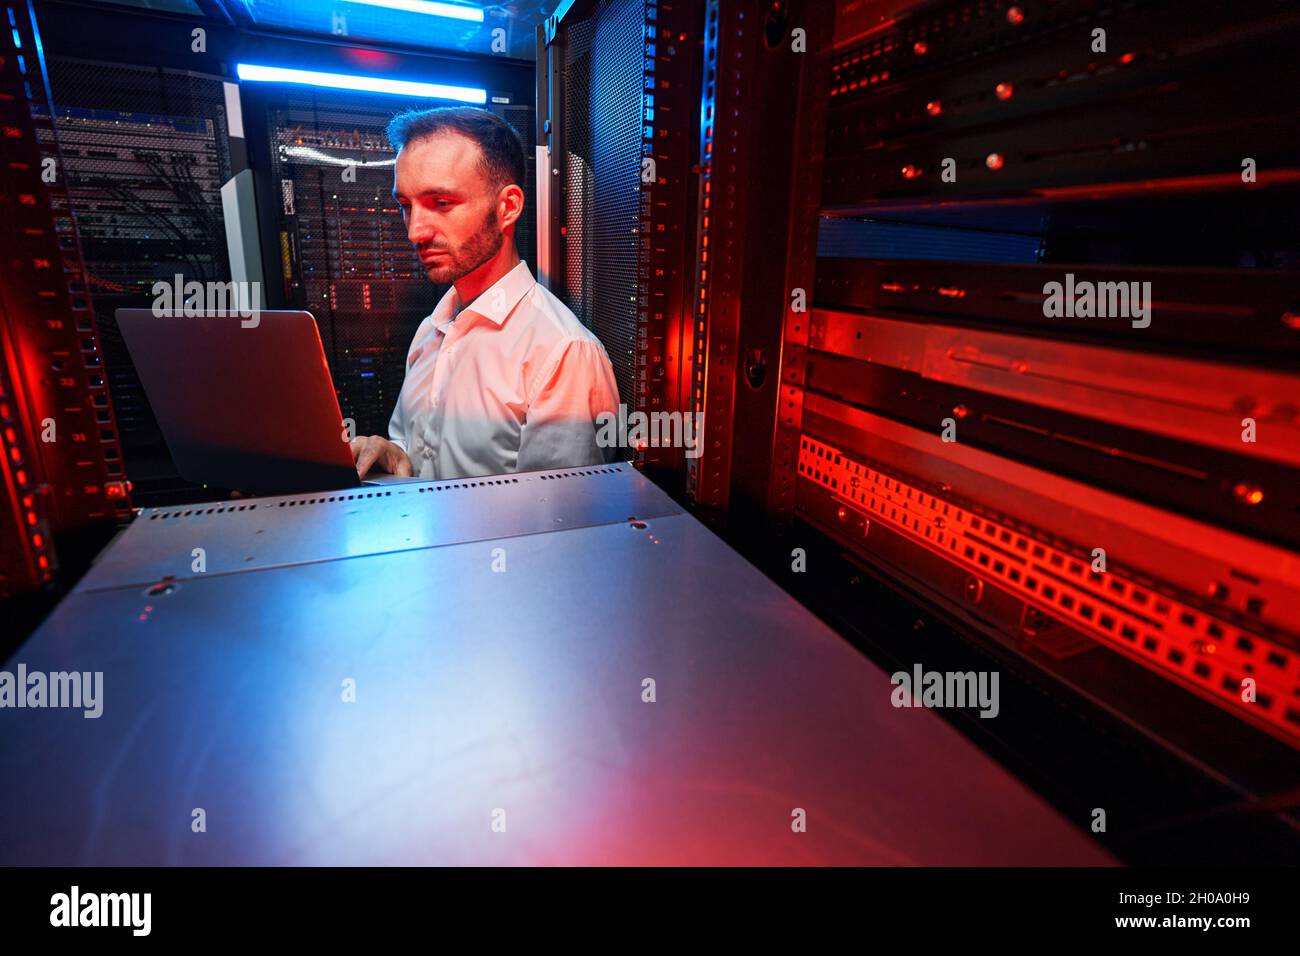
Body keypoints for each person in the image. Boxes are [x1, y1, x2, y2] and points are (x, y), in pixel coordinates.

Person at [351, 107, 619, 480]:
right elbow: (415, 456)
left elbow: (557, 525)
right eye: (406, 206)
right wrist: (391, 455)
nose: (415, 232)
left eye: (441, 203)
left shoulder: (561, 353)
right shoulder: (432, 331)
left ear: (507, 206)